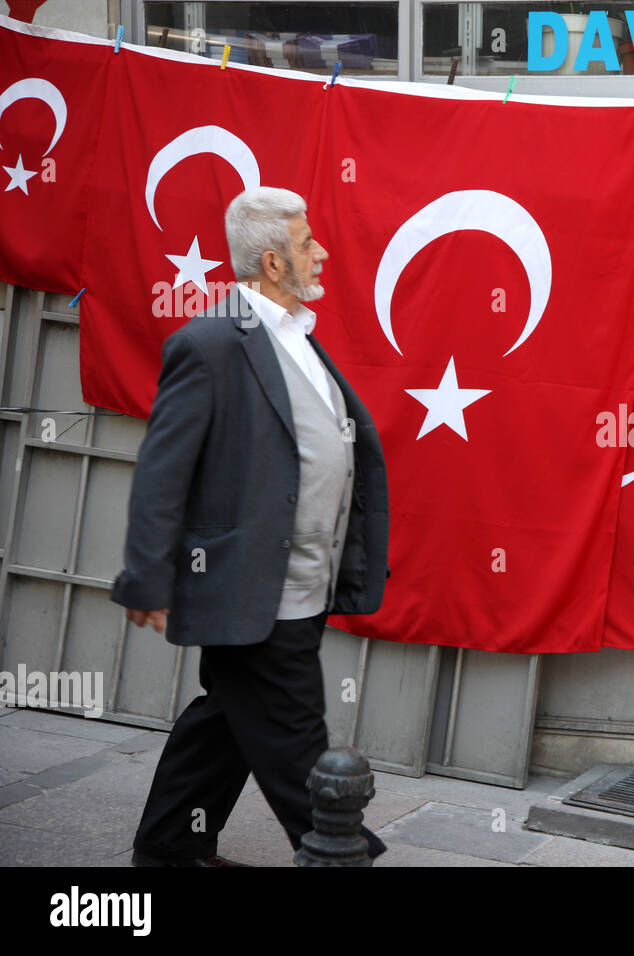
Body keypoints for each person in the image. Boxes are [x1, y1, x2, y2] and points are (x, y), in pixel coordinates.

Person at [110, 186, 390, 865]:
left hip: (303, 583)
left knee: (227, 723)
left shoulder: (296, 340)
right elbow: (163, 468)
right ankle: (342, 853)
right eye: (305, 244)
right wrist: (147, 576)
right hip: (255, 587)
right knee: (296, 740)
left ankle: (170, 849)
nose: (321, 252)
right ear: (271, 263)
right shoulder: (209, 344)